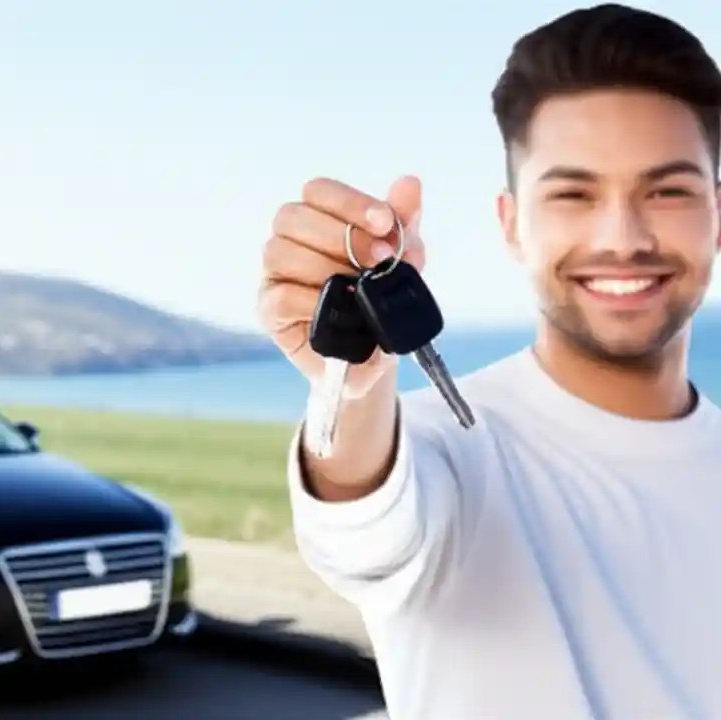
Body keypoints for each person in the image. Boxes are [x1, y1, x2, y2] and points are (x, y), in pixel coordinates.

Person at [257, 4, 721, 718]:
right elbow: (362, 531)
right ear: (511, 225)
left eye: (667, 190)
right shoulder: (443, 448)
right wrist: (353, 389)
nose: (623, 236)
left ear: (717, 214)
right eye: (573, 193)